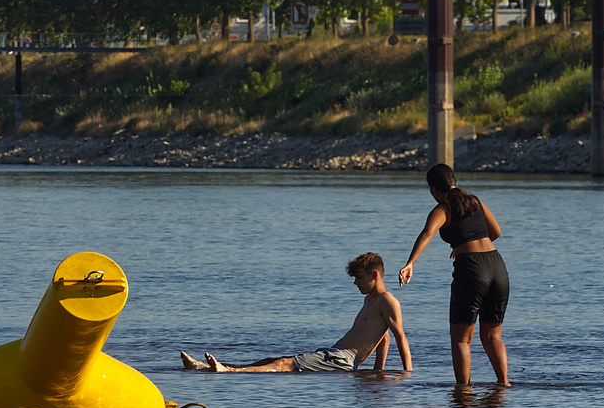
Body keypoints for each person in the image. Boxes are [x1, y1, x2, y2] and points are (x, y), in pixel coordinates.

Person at [180, 253, 412, 373]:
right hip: (334, 352)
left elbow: (399, 337)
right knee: (272, 361)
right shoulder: (369, 301)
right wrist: (377, 373)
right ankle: (210, 367)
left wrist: (406, 374)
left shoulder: (388, 301)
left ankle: (225, 372)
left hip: (343, 359)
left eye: (359, 278)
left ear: (374, 275)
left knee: (285, 364)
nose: (355, 284)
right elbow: (384, 338)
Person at [396, 164, 510, 387]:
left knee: (461, 339)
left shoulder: (442, 209)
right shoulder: (475, 201)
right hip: (497, 266)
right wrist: (468, 243)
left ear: (433, 189)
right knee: (493, 336)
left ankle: (463, 391)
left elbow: (428, 232)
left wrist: (410, 263)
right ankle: (504, 384)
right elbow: (496, 232)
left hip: (472, 270)